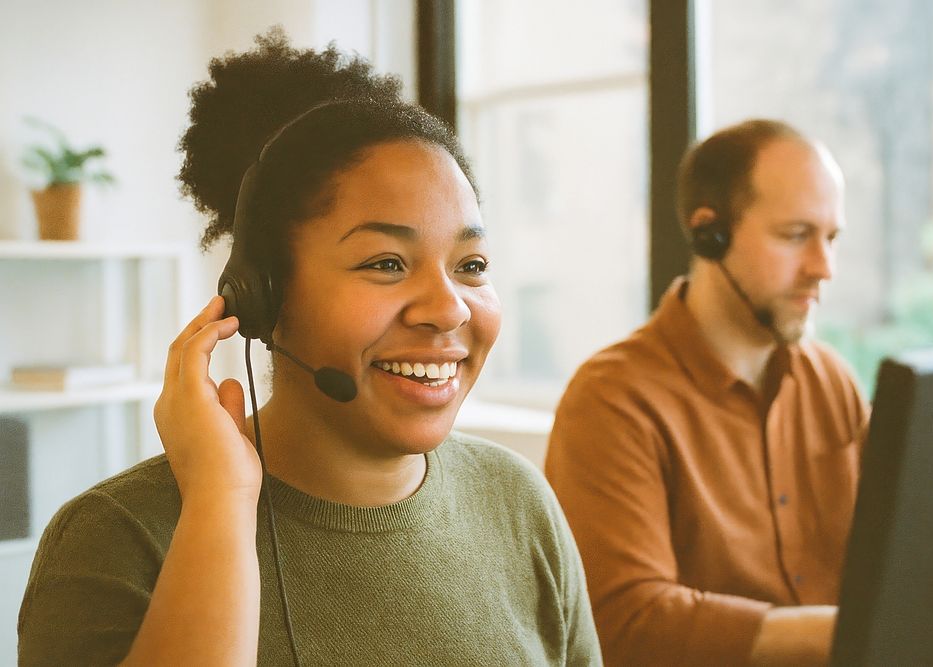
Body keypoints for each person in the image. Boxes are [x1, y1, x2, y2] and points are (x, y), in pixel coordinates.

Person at [18, 29, 601, 666]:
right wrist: (221, 500)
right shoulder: (117, 540)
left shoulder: (517, 500)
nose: (449, 309)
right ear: (262, 297)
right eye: (385, 262)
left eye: (471, 263)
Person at [545, 119, 870, 667]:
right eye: (796, 236)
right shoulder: (611, 399)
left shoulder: (831, 381)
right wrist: (855, 632)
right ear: (709, 234)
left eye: (831, 238)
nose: (824, 269)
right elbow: (625, 624)